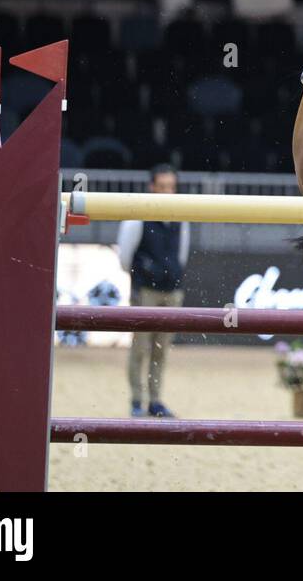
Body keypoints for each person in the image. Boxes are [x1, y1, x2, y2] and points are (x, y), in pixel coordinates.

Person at [116, 165, 191, 418]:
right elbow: (125, 257)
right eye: (162, 187)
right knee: (140, 347)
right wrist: (142, 276)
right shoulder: (138, 215)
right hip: (145, 290)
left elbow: (182, 253)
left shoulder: (180, 216)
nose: (167, 192)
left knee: (161, 349)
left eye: (171, 187)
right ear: (152, 187)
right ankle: (137, 399)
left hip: (172, 291)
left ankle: (155, 400)